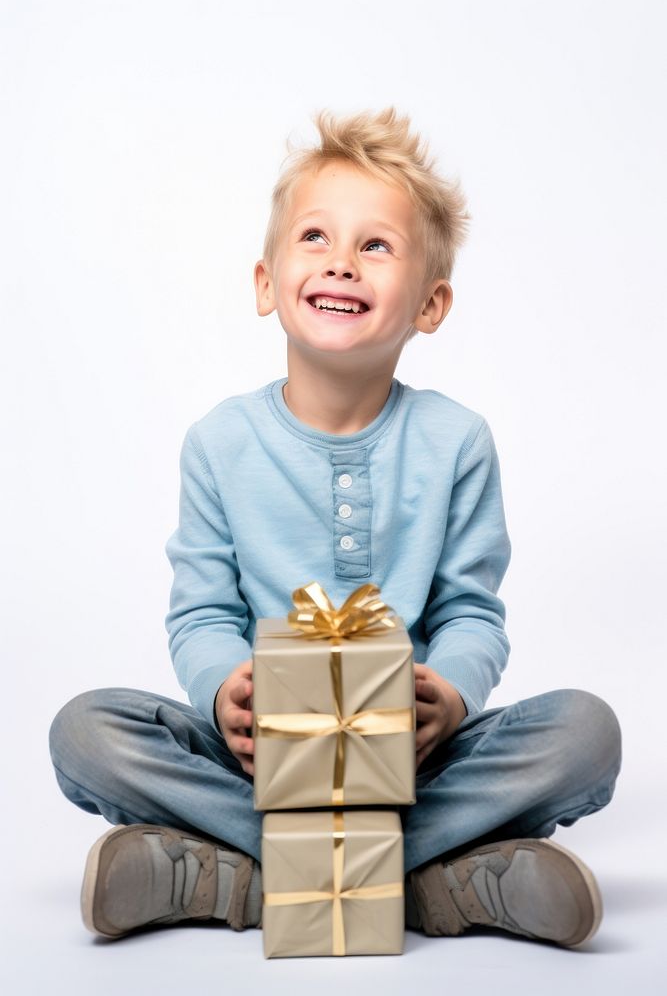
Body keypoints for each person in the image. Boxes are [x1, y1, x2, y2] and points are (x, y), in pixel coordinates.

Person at [49, 106, 622, 949]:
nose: (341, 262)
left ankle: (236, 878)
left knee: (585, 734)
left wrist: (448, 698)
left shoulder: (455, 441)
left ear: (430, 304)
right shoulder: (220, 442)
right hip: (263, 759)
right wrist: (224, 694)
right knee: (85, 733)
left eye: (375, 245)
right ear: (265, 282)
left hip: (411, 759)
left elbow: (470, 612)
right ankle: (435, 883)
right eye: (314, 236)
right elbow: (202, 614)